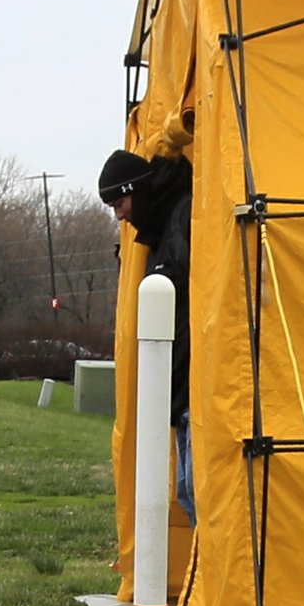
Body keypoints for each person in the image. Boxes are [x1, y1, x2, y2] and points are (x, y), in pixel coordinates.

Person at [100, 147, 194, 517]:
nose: (119, 213)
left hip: (188, 381)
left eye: (119, 201)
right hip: (179, 382)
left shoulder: (179, 219)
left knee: (194, 491)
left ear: (135, 190)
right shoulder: (162, 228)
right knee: (187, 490)